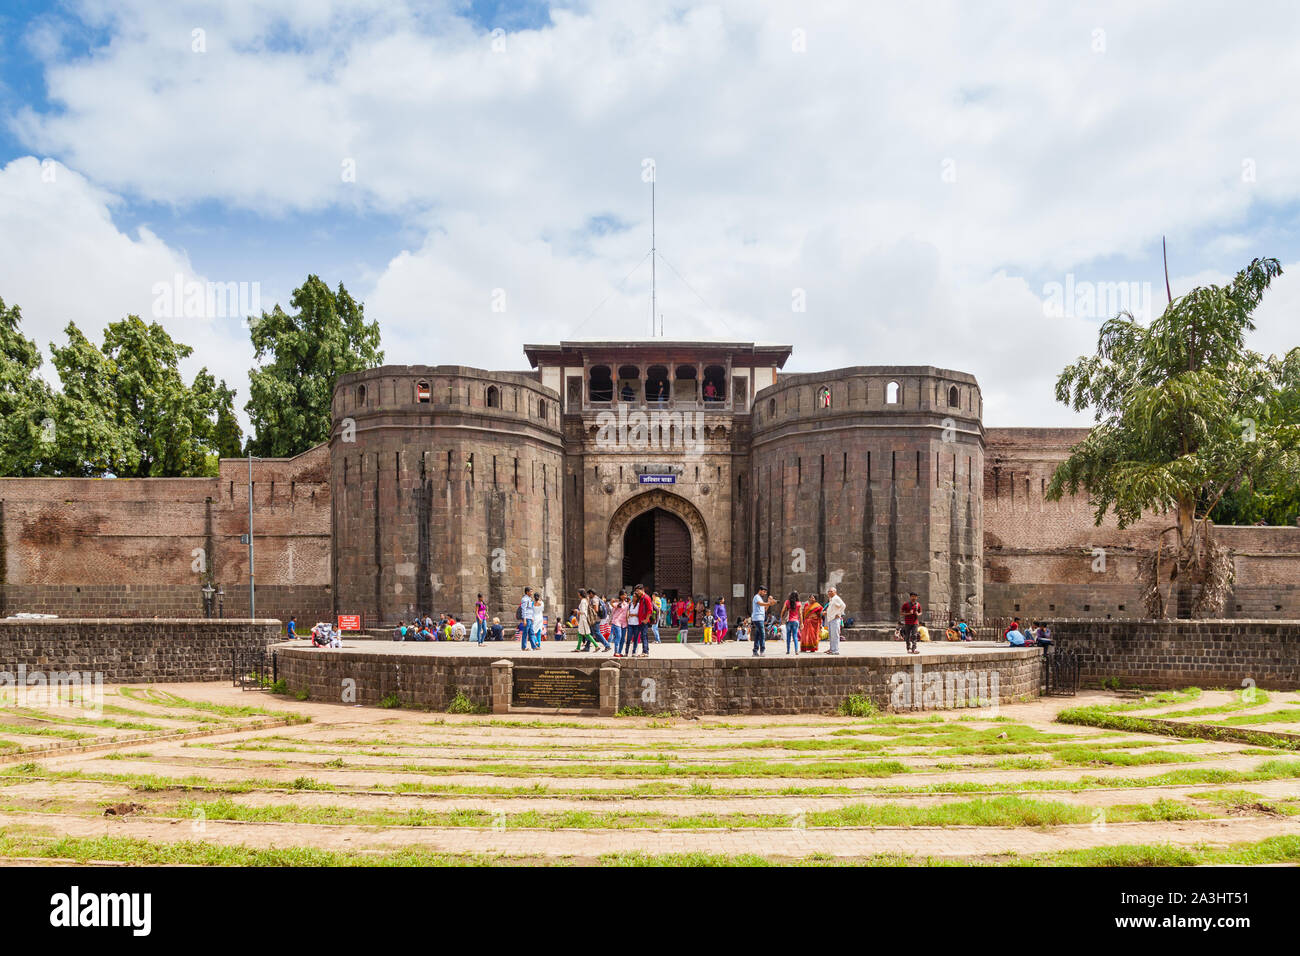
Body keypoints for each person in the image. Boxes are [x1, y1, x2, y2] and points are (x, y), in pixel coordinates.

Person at [751, 586, 774, 657]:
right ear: (760, 590)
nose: (765, 593)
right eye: (764, 591)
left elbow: (764, 609)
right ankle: (762, 650)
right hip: (757, 618)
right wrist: (768, 603)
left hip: (760, 618)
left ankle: (755, 651)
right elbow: (760, 604)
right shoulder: (756, 597)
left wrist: (769, 602)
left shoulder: (761, 599)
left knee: (758, 635)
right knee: (762, 634)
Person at [824, 586, 845, 655]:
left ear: (835, 592)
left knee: (835, 636)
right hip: (831, 619)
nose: (829, 592)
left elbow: (843, 605)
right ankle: (832, 649)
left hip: (835, 619)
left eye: (831, 591)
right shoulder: (832, 599)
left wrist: (839, 613)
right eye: (829, 591)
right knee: (831, 635)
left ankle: (835, 650)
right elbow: (832, 608)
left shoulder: (836, 598)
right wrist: (826, 612)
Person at [611, 590, 628, 657]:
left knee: (623, 639)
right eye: (623, 595)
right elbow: (612, 604)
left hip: (624, 623)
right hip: (617, 621)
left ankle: (619, 652)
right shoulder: (618, 603)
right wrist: (614, 600)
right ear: (620, 596)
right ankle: (616, 652)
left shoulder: (627, 604)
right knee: (618, 636)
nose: (624, 596)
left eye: (625, 595)